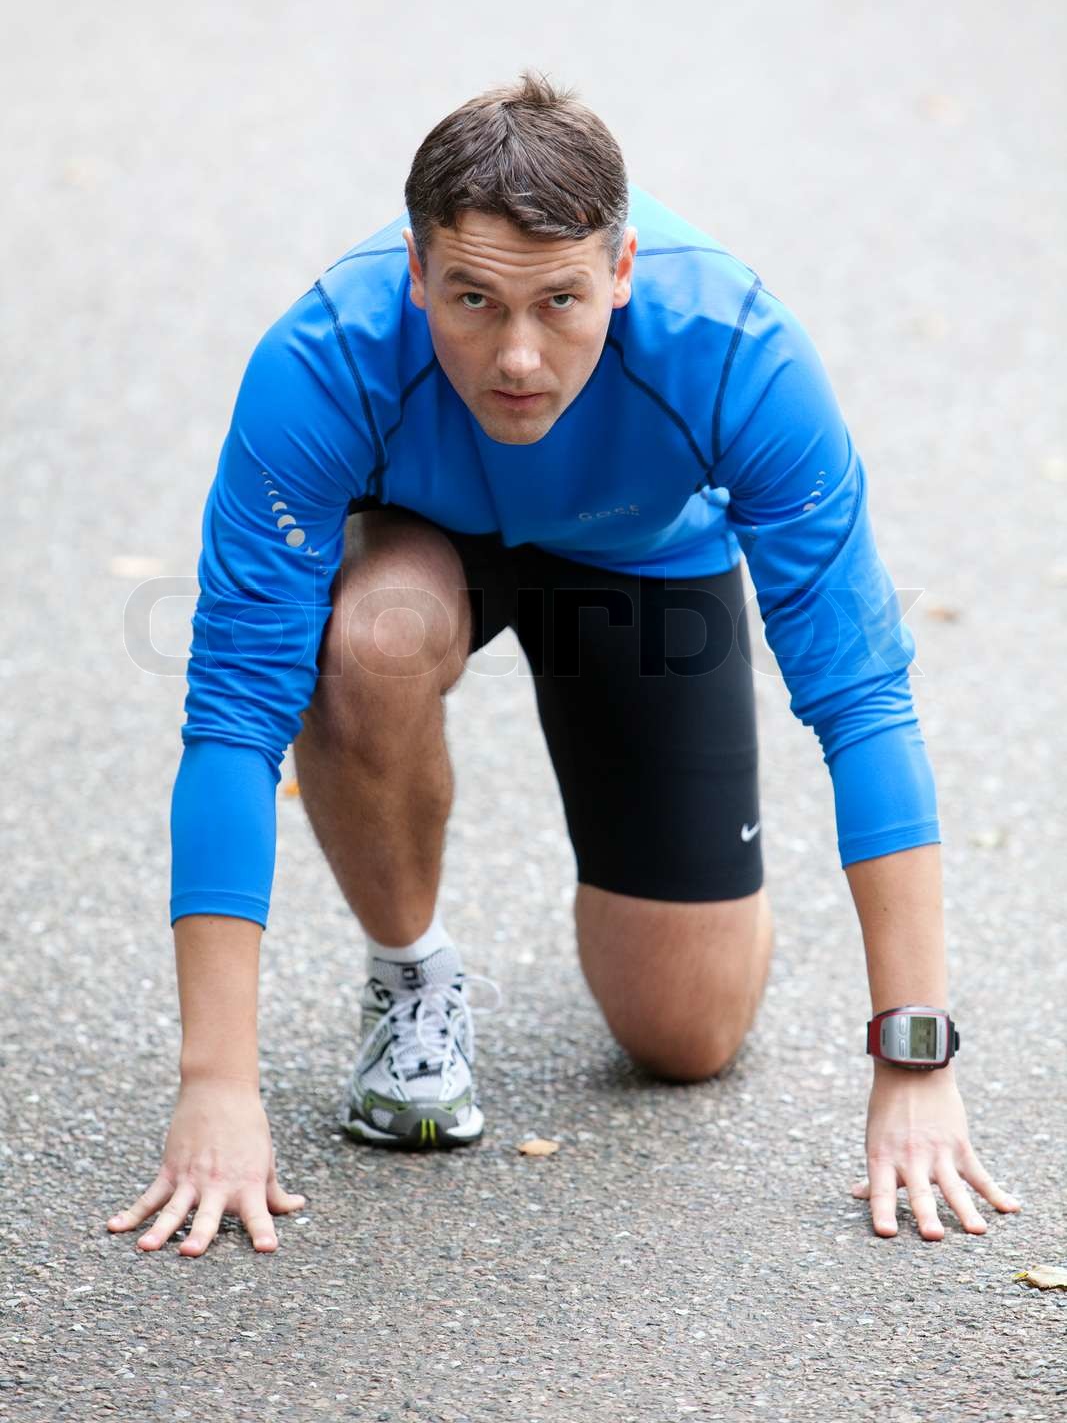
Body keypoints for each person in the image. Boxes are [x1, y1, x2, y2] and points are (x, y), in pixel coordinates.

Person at [108, 70, 1019, 1258]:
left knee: (682, 1037)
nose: (519, 355)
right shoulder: (325, 355)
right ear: (417, 269)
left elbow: (862, 698)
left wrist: (912, 1051)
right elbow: (233, 715)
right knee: (364, 641)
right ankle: (411, 975)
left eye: (561, 301)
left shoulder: (734, 347)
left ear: (623, 271)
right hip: (425, 545)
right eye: (474, 299)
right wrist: (218, 1085)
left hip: (643, 563)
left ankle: (712, 893)